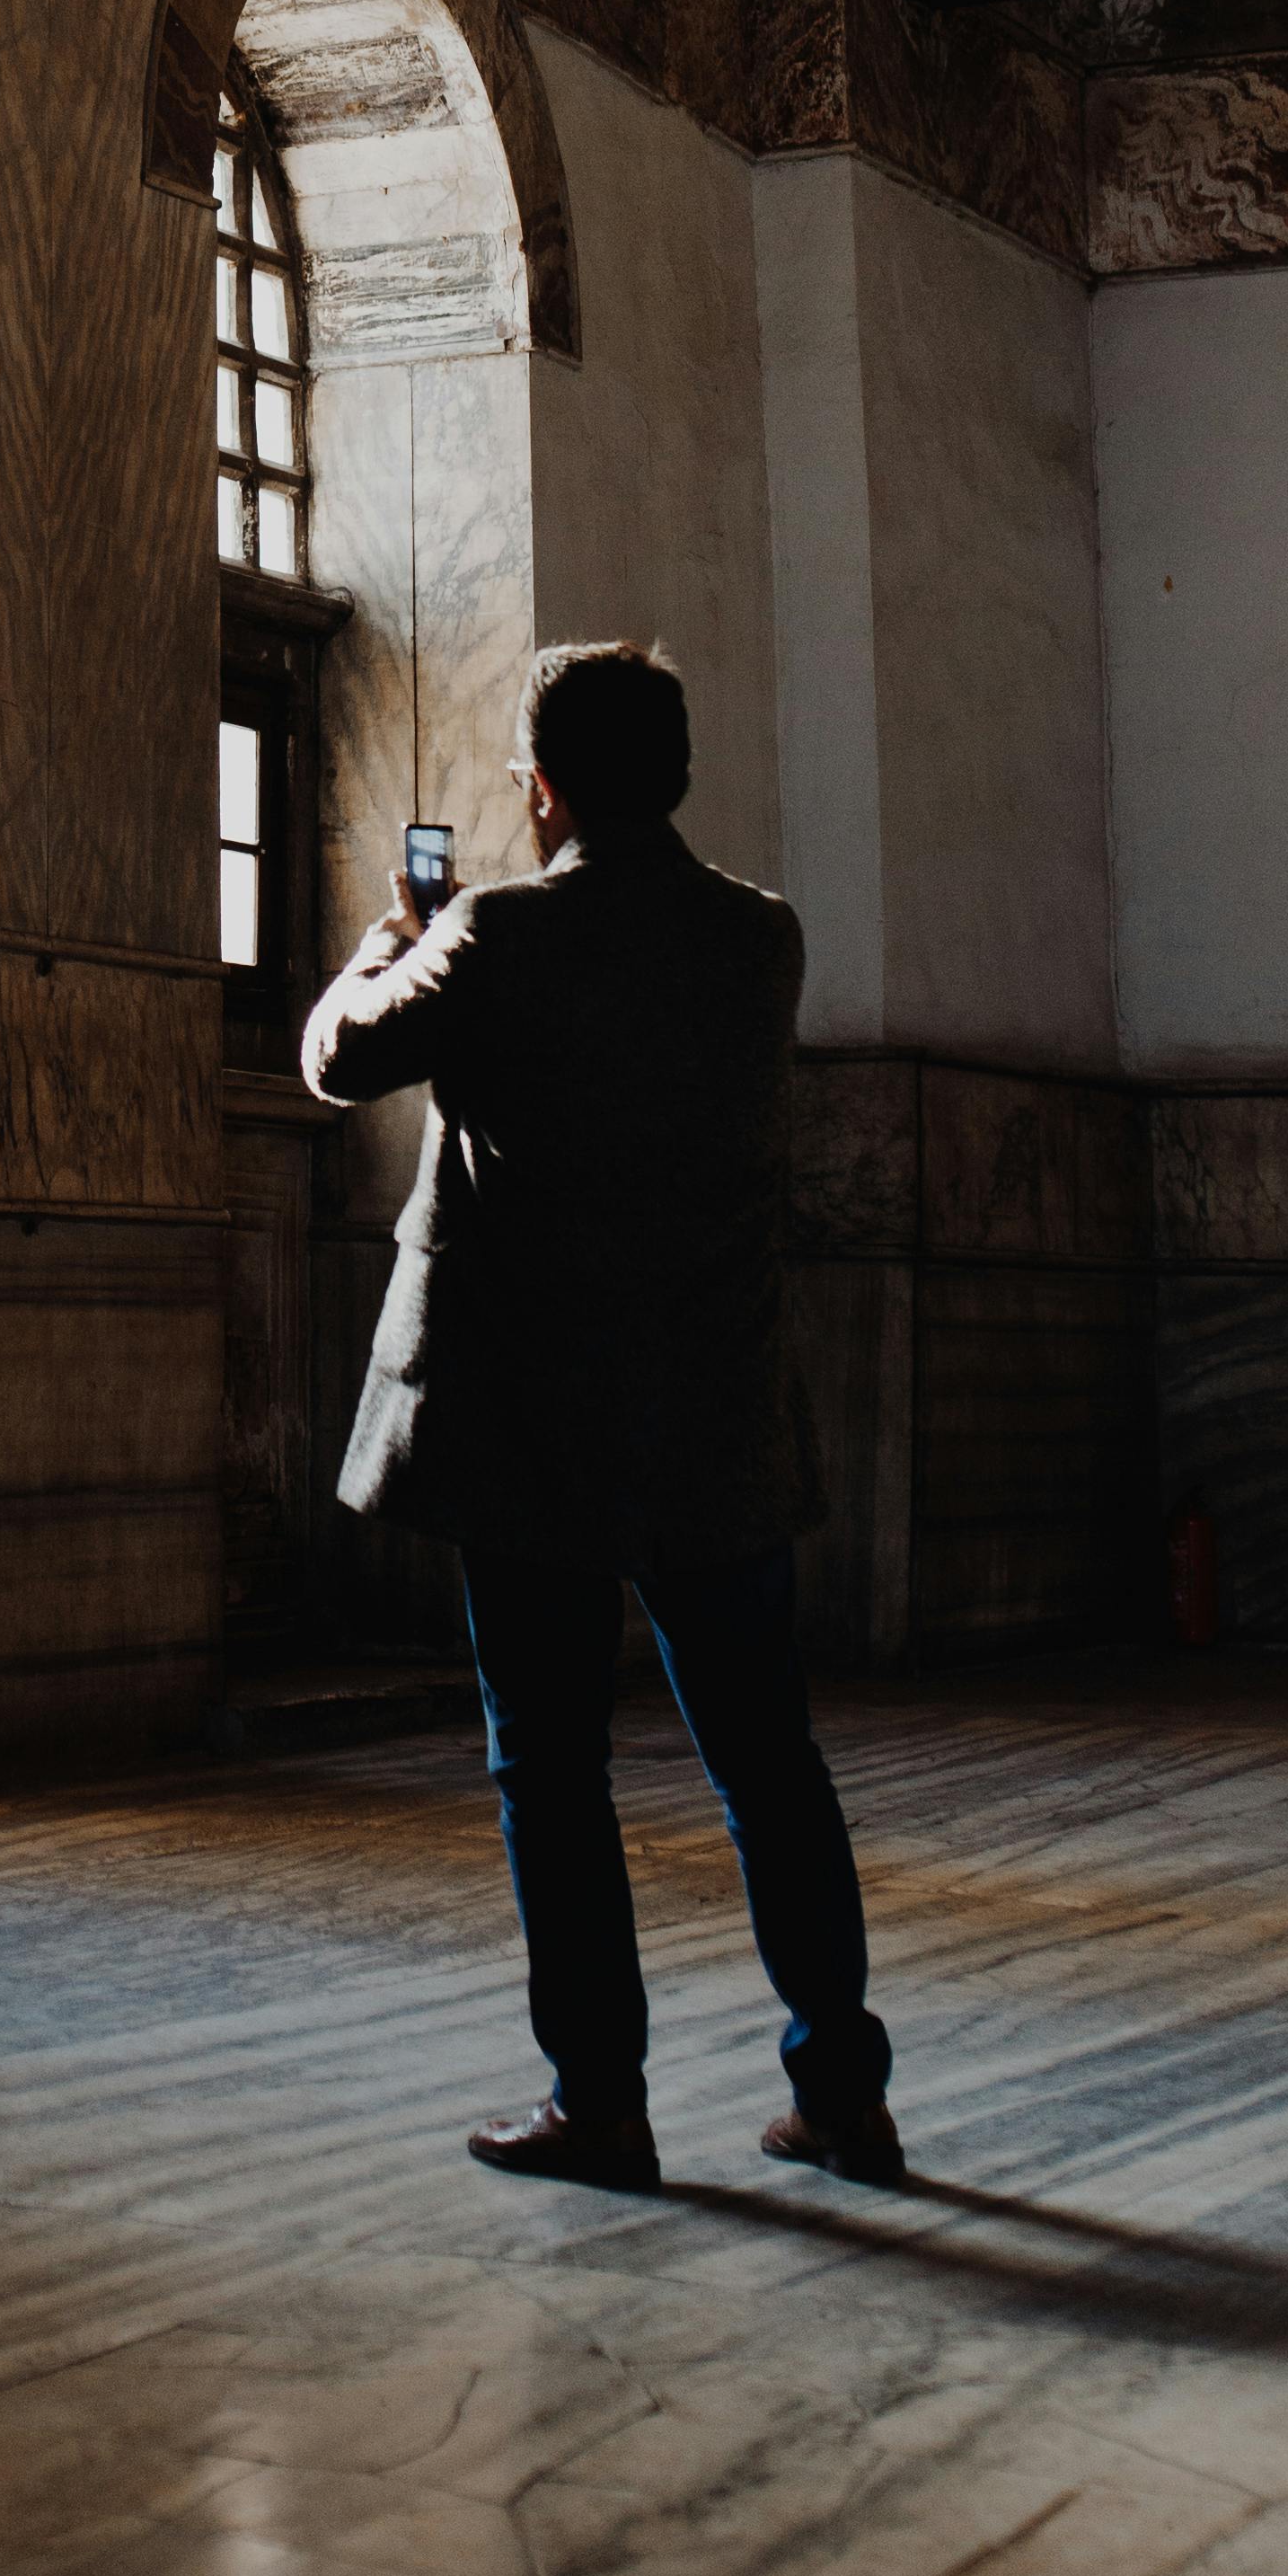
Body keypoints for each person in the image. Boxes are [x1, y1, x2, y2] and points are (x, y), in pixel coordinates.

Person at [301, 637, 902, 2193]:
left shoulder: (496, 930)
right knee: (770, 1764)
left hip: (534, 1430)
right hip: (715, 1416)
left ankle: (602, 2103)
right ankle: (841, 2089)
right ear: (680, 776)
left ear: (543, 785)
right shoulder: (760, 938)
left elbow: (337, 1063)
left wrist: (385, 943)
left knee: (550, 1770)